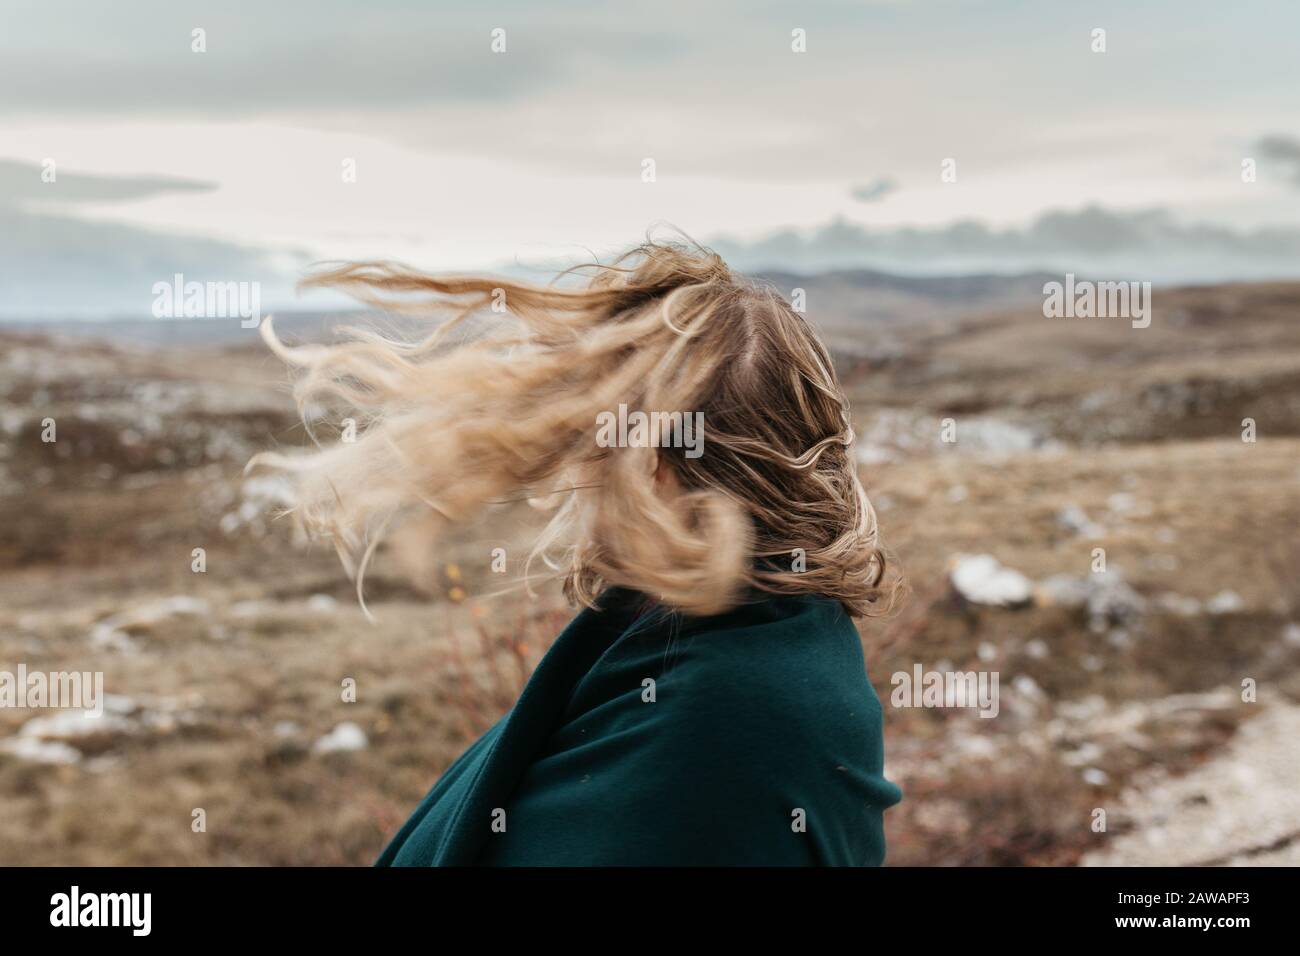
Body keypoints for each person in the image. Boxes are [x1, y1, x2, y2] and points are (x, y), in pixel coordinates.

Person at [253, 236, 902, 865]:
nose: (578, 480)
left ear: (653, 471)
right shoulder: (756, 634)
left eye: (593, 446)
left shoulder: (729, 714)